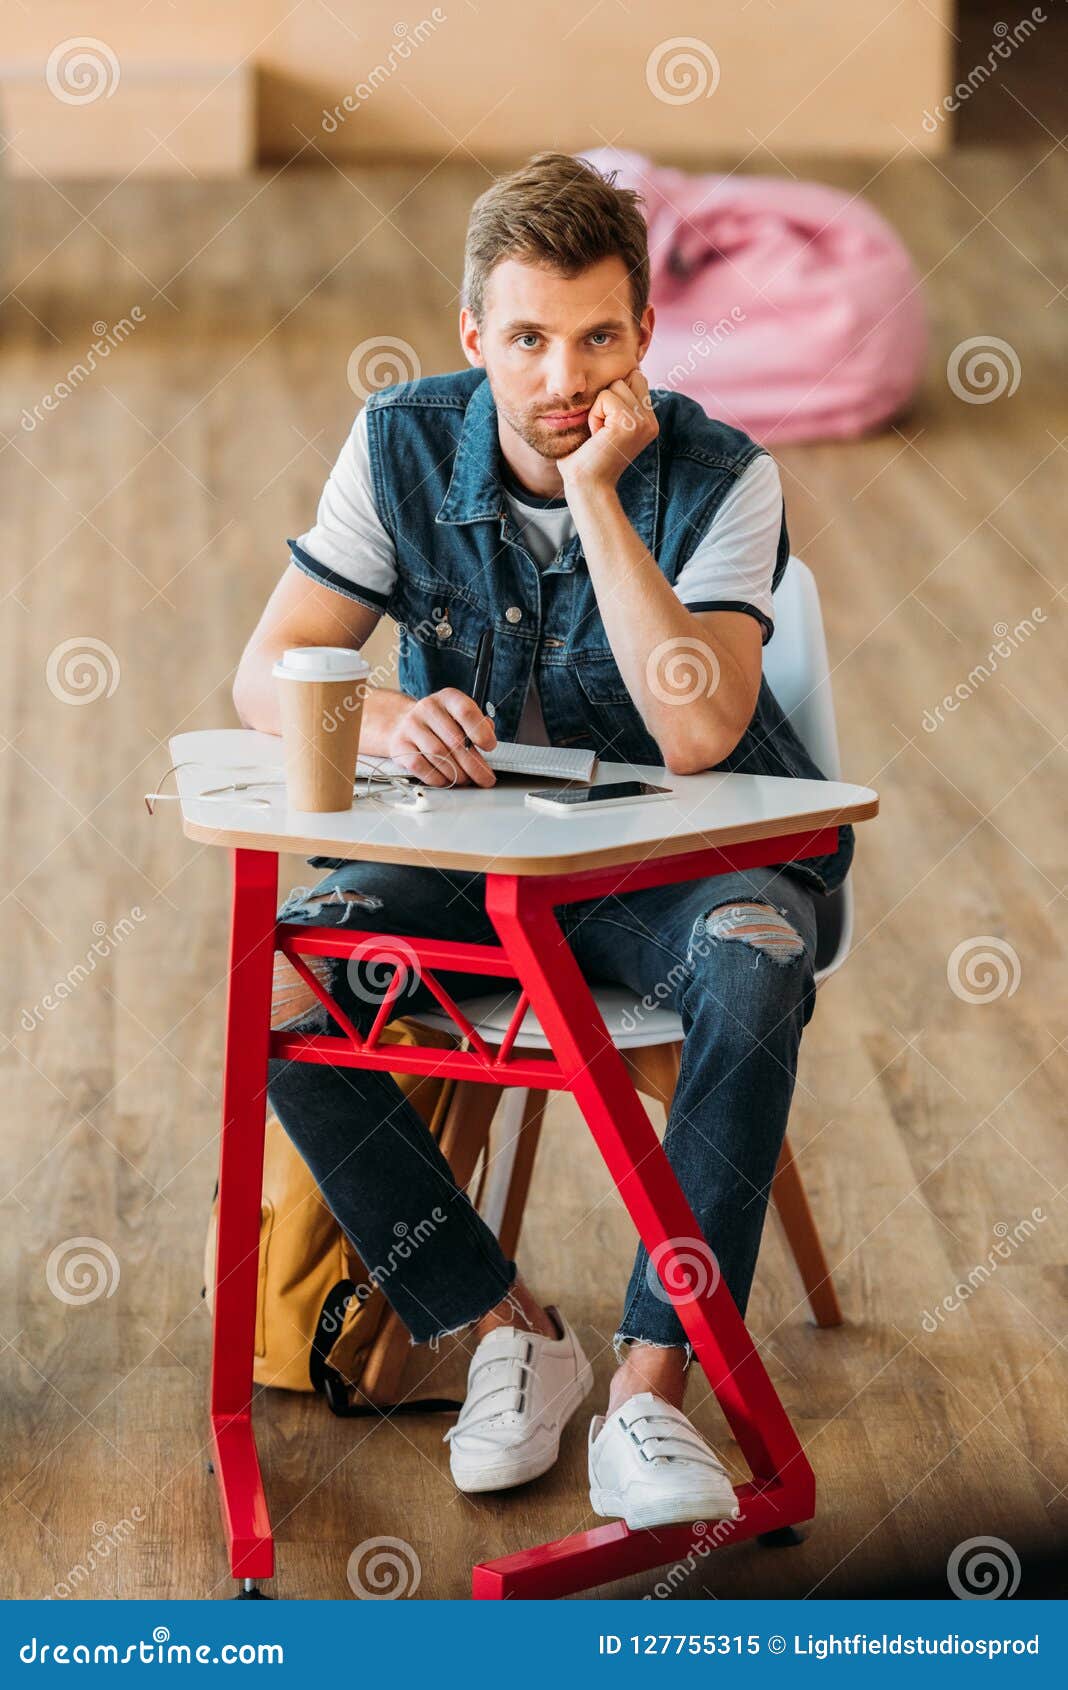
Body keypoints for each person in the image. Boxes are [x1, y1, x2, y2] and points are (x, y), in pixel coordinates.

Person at [233, 150, 853, 1530]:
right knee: (274, 980)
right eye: (526, 340)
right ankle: (509, 1323)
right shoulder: (399, 440)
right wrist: (390, 720)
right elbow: (264, 672)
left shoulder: (724, 474)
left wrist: (595, 496)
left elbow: (696, 731)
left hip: (682, 877)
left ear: (646, 334)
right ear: (473, 334)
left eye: (598, 340)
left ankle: (650, 1386)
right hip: (478, 871)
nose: (563, 378)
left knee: (755, 960)